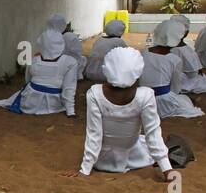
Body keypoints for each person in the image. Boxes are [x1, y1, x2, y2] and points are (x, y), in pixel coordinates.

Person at [59, 49, 184, 179]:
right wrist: (167, 169)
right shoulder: (145, 95)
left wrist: (85, 170)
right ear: (138, 72)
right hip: (136, 157)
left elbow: (94, 134)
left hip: (103, 160)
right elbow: (152, 133)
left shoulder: (94, 93)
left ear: (106, 70)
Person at [0, 29, 78, 116]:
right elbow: (69, 88)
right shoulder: (70, 62)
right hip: (54, 104)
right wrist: (70, 111)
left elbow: (28, 80)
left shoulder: (34, 60)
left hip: (30, 101)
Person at [141, 20, 204, 118]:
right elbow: (175, 88)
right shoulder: (174, 59)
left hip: (142, 97)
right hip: (161, 100)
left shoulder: (144, 52)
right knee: (186, 102)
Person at [169, 15, 206, 95]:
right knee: (200, 79)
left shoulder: (160, 46)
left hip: (164, 77)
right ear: (186, 32)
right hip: (178, 80)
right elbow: (192, 72)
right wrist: (198, 69)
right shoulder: (184, 50)